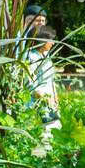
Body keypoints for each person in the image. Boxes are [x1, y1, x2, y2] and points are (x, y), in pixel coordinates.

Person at [24, 24, 61, 152]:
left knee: (53, 133)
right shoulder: (31, 57)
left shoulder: (46, 56)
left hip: (49, 102)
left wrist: (55, 96)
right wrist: (44, 98)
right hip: (39, 103)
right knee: (44, 134)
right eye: (49, 40)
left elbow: (51, 79)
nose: (52, 43)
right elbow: (31, 83)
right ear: (41, 40)